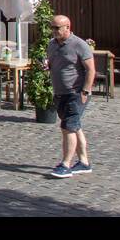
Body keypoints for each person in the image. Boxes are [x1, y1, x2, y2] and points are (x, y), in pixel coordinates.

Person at [44, 14, 95, 178]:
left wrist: (85, 91)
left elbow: (90, 70)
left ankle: (65, 164)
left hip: (75, 93)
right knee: (75, 127)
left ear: (68, 27)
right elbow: (53, 63)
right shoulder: (52, 45)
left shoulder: (79, 45)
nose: (54, 31)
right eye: (52, 28)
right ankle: (84, 162)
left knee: (67, 128)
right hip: (60, 93)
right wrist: (47, 66)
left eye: (57, 28)